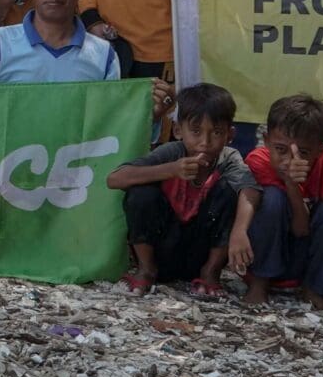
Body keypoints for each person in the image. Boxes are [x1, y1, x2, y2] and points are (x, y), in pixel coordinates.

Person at [106, 84, 256, 295]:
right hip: (164, 247)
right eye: (196, 131)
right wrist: (171, 170)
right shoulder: (172, 153)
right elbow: (115, 179)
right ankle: (146, 269)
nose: (205, 142)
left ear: (229, 135)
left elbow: (250, 191)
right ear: (178, 130)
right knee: (140, 193)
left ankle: (210, 274)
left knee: (229, 190)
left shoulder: (228, 159)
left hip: (200, 250)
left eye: (216, 132)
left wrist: (240, 232)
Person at [240, 93, 323, 310]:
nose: (289, 160)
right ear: (266, 141)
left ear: (320, 150)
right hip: (264, 252)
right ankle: (259, 283)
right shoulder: (259, 160)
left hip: (304, 254)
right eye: (281, 149)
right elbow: (299, 227)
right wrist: (290, 184)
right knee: (273, 198)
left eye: (302, 152)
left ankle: (315, 287)